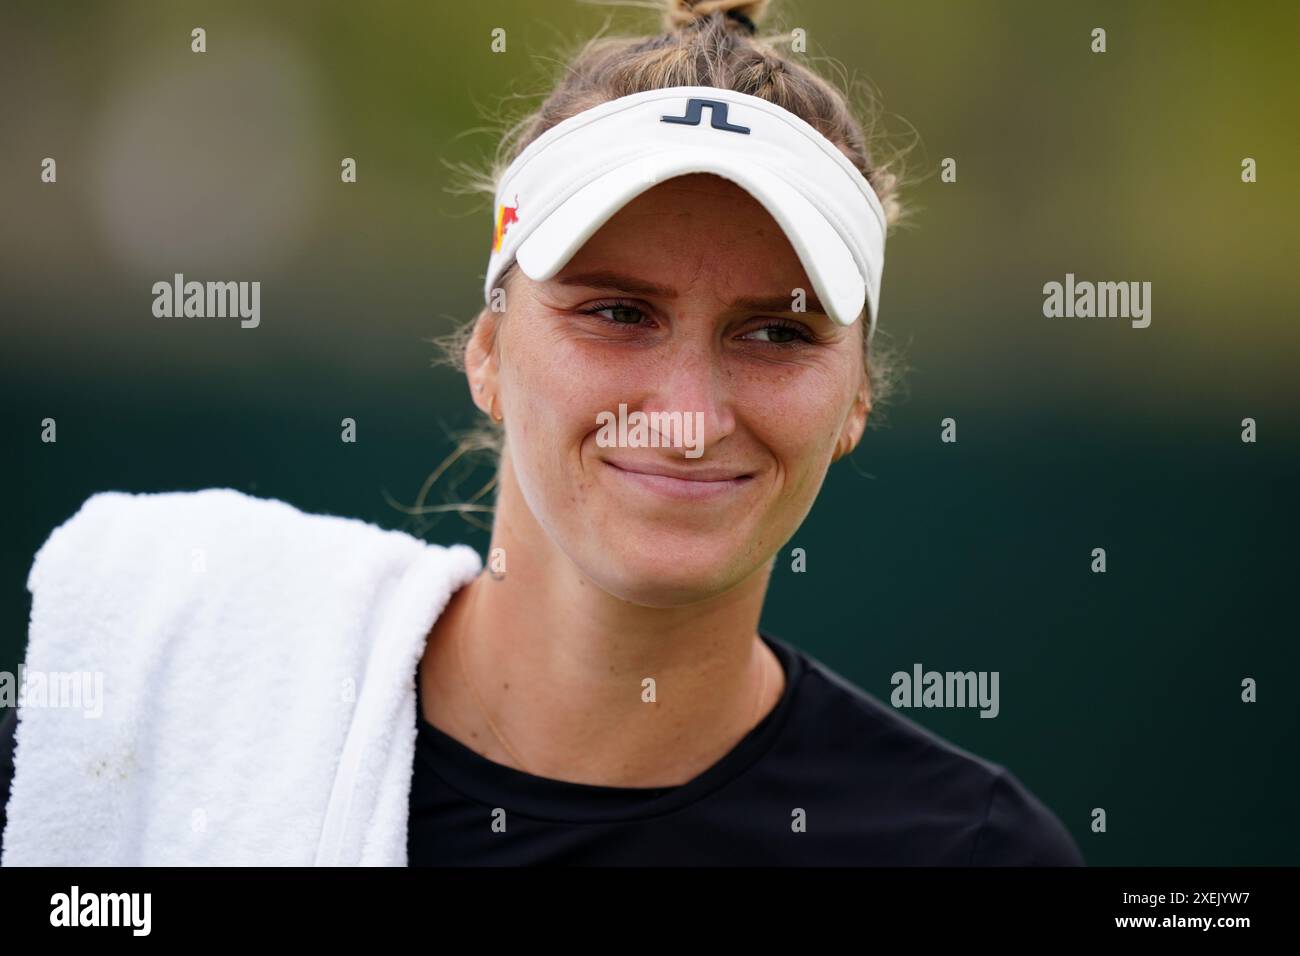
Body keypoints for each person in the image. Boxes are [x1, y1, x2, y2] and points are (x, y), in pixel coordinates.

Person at [0, 0, 1083, 866]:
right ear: (487, 351)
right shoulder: (151, 690)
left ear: (855, 399)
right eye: (616, 313)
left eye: (776, 330)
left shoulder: (967, 849)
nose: (689, 413)